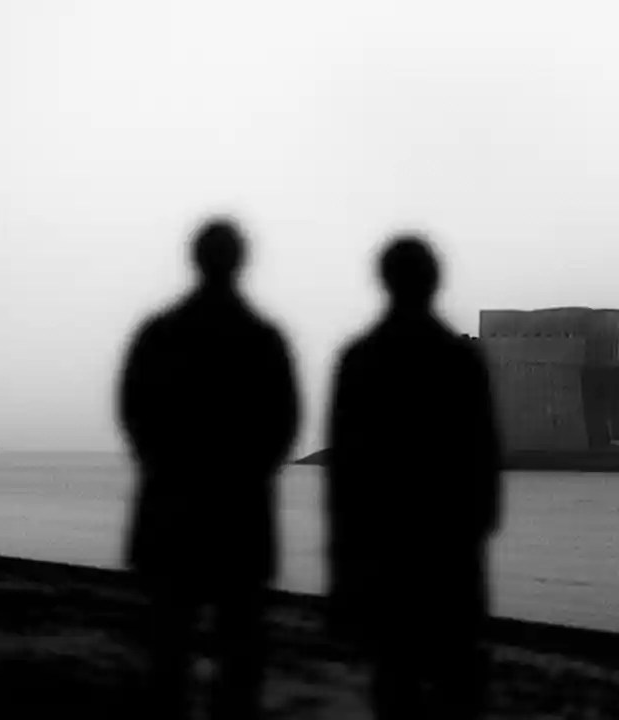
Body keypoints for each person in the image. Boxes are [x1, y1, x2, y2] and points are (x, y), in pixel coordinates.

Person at [116, 217, 299, 720]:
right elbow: (283, 424)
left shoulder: (160, 334)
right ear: (242, 261)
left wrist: (165, 465)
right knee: (238, 667)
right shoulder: (263, 339)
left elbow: (134, 413)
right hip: (240, 520)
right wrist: (247, 472)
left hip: (171, 517)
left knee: (168, 662)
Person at [326, 235, 502, 720]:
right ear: (436, 280)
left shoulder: (359, 359)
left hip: (386, 558)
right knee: (458, 689)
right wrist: (475, 540)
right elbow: (484, 465)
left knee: (395, 685)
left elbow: (345, 480)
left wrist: (343, 573)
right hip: (450, 558)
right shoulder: (462, 361)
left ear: (382, 280)